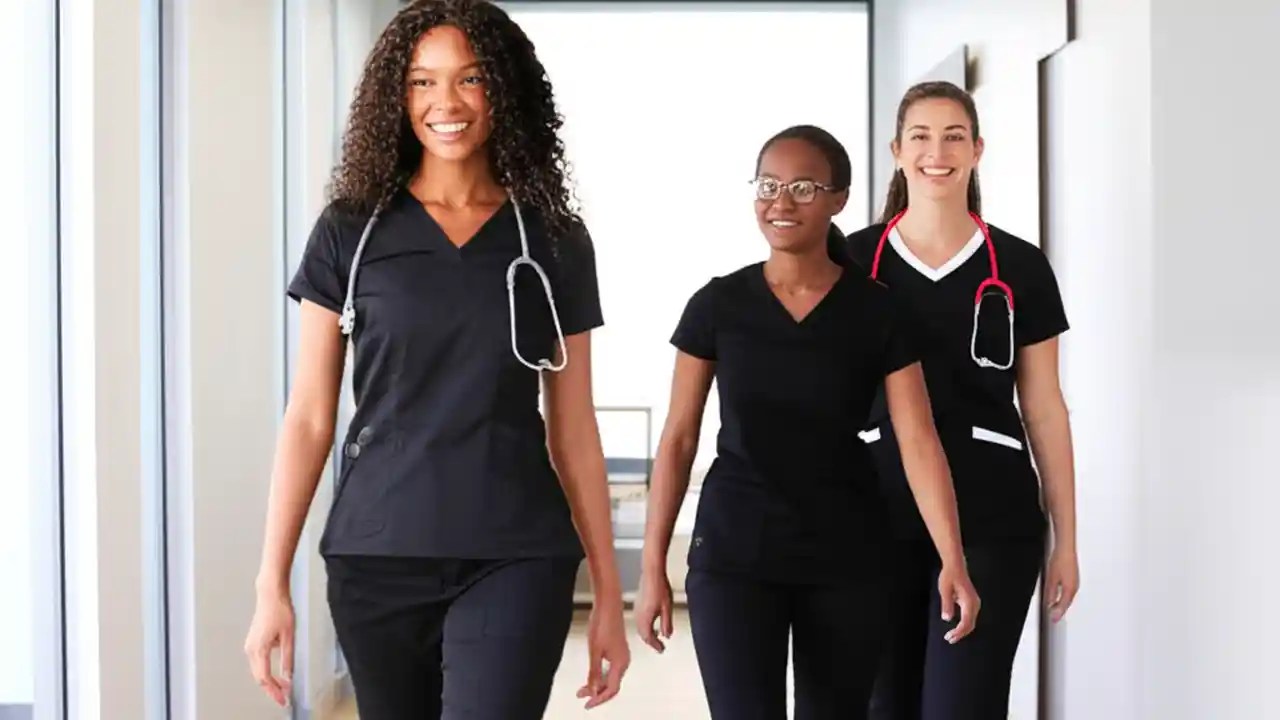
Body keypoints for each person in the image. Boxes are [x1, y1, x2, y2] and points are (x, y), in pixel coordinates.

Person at [241, 2, 631, 717]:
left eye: (470, 79)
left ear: (504, 90)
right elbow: (308, 418)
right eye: (422, 82)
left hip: (517, 550)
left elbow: (573, 426)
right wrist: (272, 583)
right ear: (397, 95)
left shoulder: (551, 239)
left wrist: (609, 589)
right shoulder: (350, 232)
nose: (444, 103)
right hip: (378, 554)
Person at [634, 125, 980, 720]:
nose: (781, 201)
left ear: (838, 198)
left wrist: (953, 558)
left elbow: (918, 441)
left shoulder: (879, 311)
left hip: (849, 556)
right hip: (734, 555)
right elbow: (679, 440)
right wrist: (651, 568)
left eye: (802, 186)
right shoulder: (717, 305)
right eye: (768, 184)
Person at [845, 80, 1080, 720]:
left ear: (977, 150)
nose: (936, 152)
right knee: (881, 705)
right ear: (897, 150)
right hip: (872, 520)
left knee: (962, 707)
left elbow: (1044, 408)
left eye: (954, 136)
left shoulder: (1020, 267)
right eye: (920, 136)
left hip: (992, 522)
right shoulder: (851, 261)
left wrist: (1067, 538)